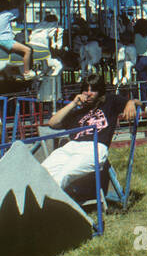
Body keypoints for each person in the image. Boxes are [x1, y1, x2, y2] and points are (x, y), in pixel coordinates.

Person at [43, 72, 137, 201]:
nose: (88, 93)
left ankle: (48, 205)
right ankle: (39, 202)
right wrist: (73, 103)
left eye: (93, 90)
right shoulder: (78, 111)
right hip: (72, 146)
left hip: (95, 147)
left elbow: (137, 102)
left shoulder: (109, 101)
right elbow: (52, 123)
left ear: (100, 92)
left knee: (64, 173)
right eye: (85, 90)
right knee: (43, 171)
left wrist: (130, 103)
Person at [0, 0, 36, 80]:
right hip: (5, 40)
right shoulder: (8, 14)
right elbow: (20, 8)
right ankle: (27, 72)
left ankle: (12, 71)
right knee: (28, 50)